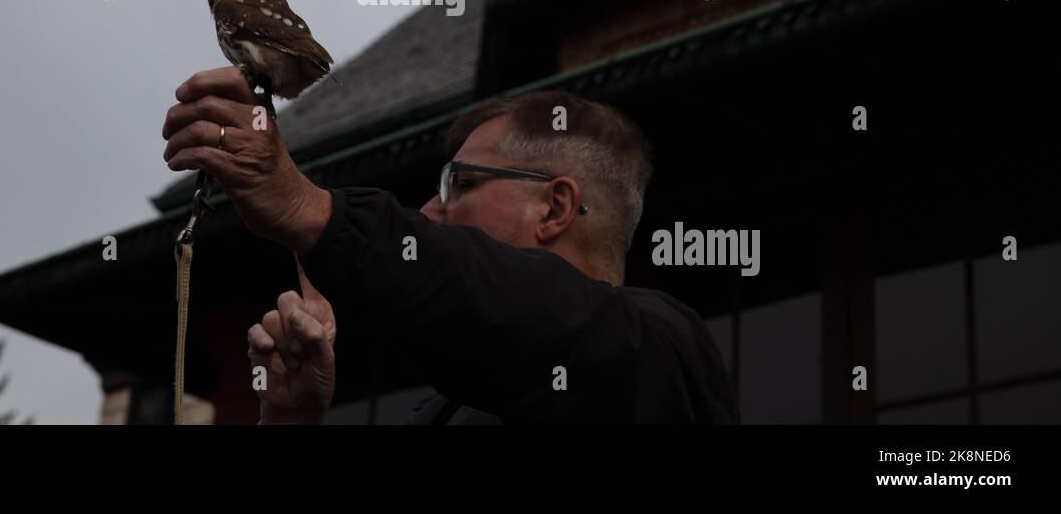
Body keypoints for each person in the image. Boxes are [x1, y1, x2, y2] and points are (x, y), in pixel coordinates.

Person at [162, 66, 738, 424]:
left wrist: (305, 208)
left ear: (555, 207)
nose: (428, 211)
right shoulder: (451, 408)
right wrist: (293, 422)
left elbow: (507, 300)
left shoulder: (659, 350)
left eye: (457, 184)